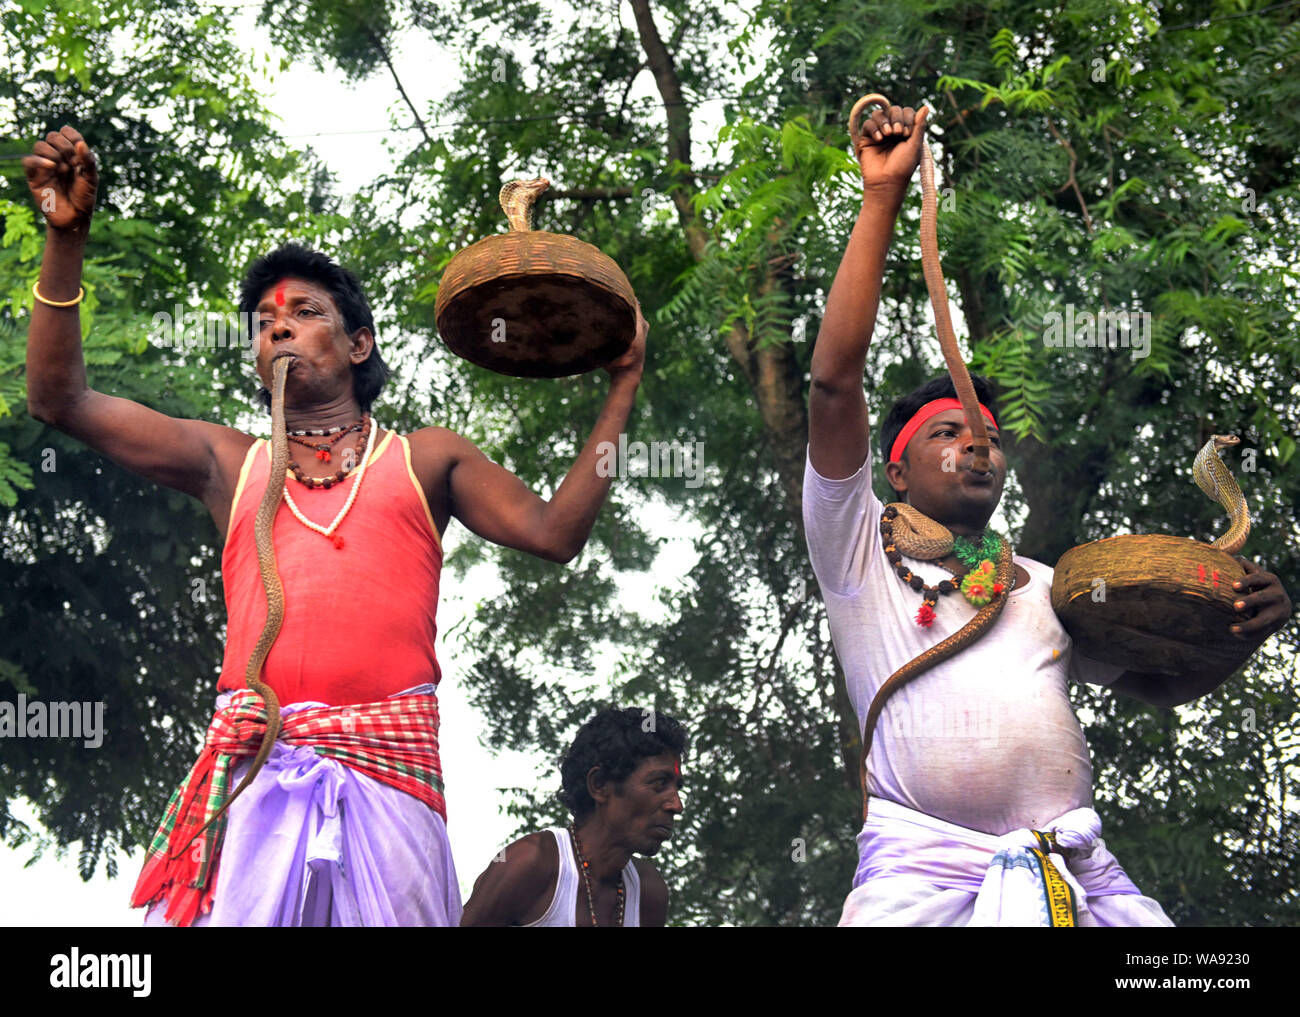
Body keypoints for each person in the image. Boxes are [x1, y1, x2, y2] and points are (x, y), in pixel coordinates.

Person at [23, 126, 649, 927]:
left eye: (304, 313)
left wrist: (623, 386)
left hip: (393, 791)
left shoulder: (427, 459)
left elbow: (558, 532)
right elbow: (60, 399)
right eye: (262, 321)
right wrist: (65, 239)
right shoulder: (230, 461)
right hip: (254, 785)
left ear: (359, 343)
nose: (276, 327)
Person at [804, 102, 1292, 926]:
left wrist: (1249, 630)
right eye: (949, 432)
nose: (977, 446)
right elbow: (831, 384)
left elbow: (1159, 685)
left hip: (1077, 877)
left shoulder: (1045, 583)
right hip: (921, 882)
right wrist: (882, 196)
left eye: (990, 436)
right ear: (896, 466)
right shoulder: (855, 550)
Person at [459, 707, 685, 926]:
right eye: (659, 784)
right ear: (599, 785)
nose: (677, 805)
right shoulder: (531, 863)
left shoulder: (648, 893)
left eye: (677, 787)